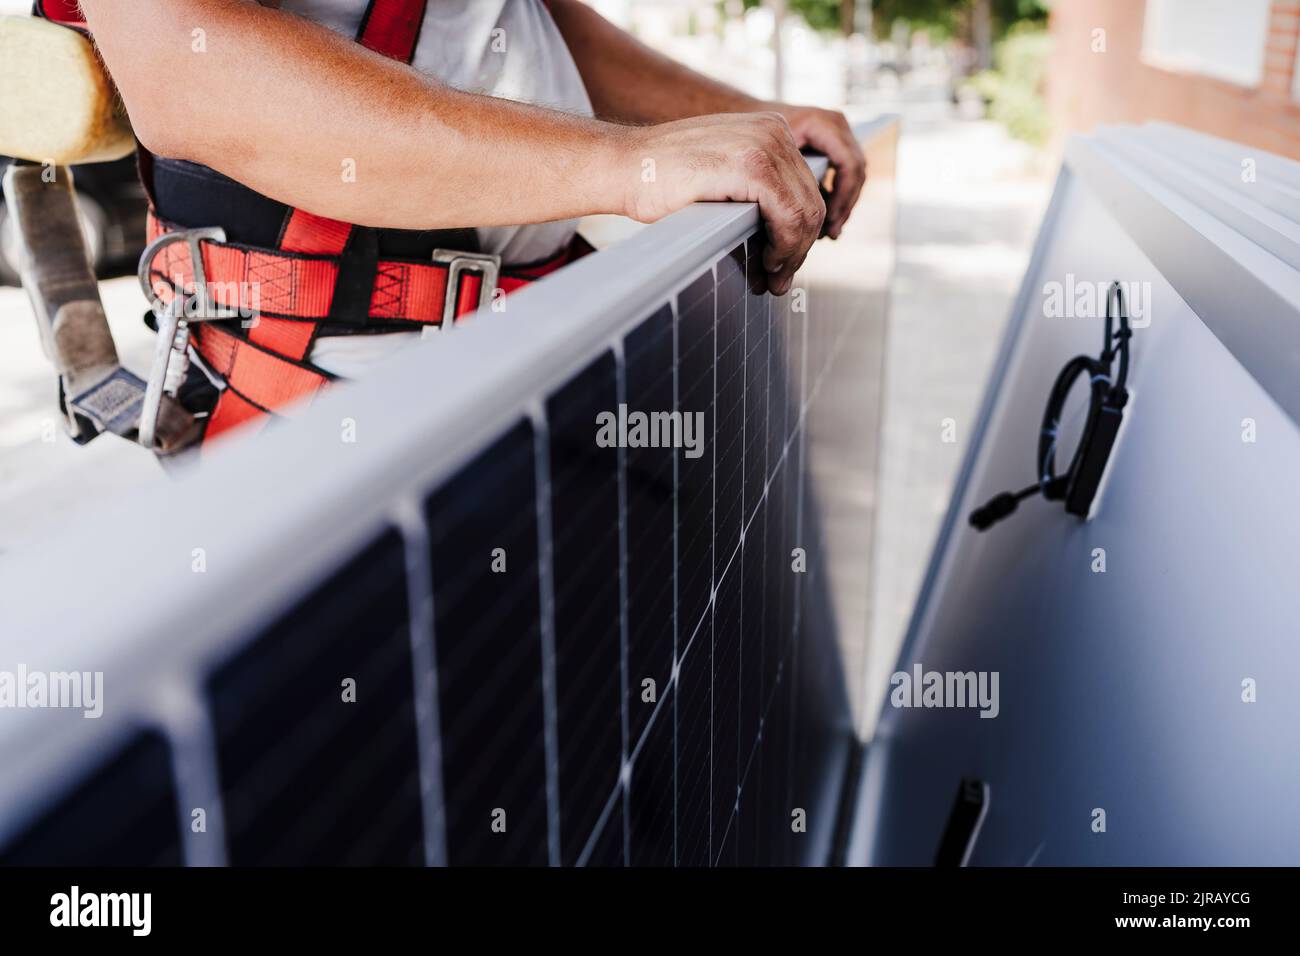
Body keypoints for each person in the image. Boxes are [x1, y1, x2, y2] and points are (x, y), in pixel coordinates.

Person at [77, 0, 867, 444]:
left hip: (520, 370)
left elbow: (530, 20)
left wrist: (746, 124)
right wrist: (629, 165)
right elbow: (185, 63)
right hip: (334, 413)